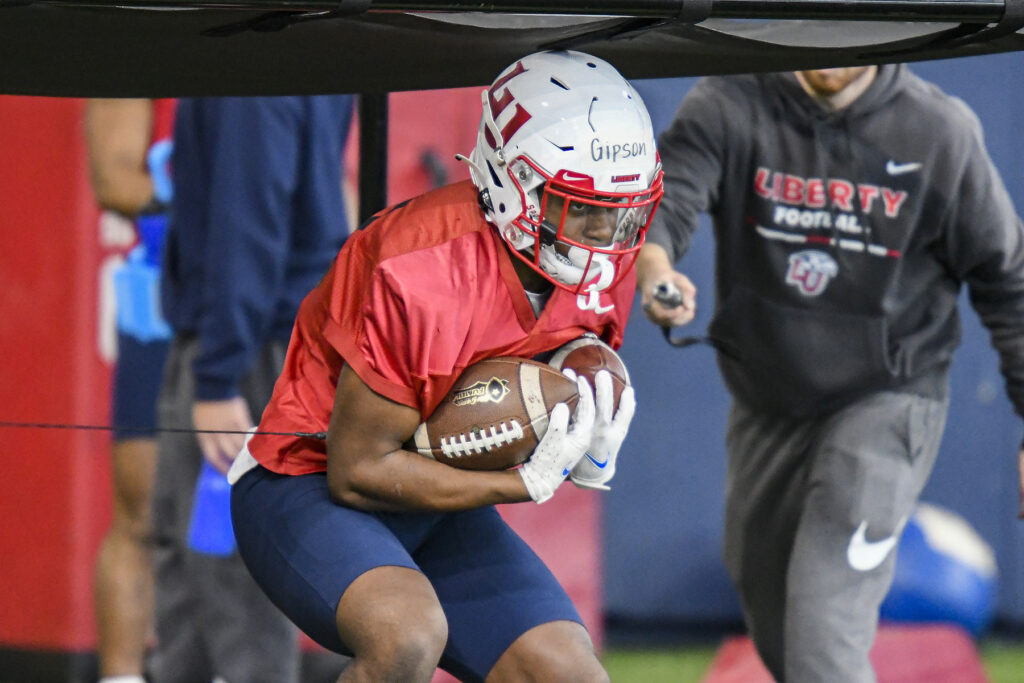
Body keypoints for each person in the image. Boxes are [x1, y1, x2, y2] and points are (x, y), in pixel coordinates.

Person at [227, 49, 659, 682]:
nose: (603, 234)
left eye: (619, 210)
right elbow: (356, 470)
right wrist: (522, 482)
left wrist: (589, 416)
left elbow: (545, 375)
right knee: (407, 636)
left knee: (570, 675)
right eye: (580, 207)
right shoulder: (420, 267)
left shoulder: (605, 263)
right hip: (307, 481)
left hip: (435, 501)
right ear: (514, 182)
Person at [636, 65, 1024, 682]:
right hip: (768, 400)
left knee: (822, 627)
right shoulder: (729, 103)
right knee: (776, 623)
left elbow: (1009, 282)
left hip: (888, 397)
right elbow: (667, 197)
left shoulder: (939, 131)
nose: (828, 55)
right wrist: (656, 268)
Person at [150, 94, 355, 683]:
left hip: (248, 352)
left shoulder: (253, 75)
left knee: (232, 562)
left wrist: (217, 374)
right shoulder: (301, 59)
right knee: (192, 560)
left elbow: (249, 221)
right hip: (256, 340)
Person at [84, 97, 175, 683]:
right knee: (140, 513)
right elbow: (114, 177)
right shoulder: (144, 58)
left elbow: (334, 191)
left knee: (254, 515)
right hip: (162, 305)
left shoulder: (288, 65)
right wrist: (230, 208)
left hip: (258, 304)